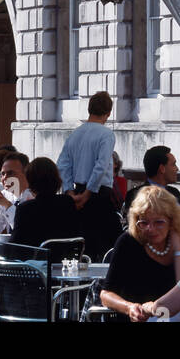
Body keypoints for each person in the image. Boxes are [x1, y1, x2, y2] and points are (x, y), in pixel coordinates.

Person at [100, 186, 180, 321]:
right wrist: (129, 307)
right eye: (144, 222)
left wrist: (178, 248)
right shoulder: (128, 243)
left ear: (172, 221)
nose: (151, 228)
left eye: (159, 222)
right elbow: (106, 294)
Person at [56, 90, 122, 260]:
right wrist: (87, 194)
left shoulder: (75, 134)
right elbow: (100, 166)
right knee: (106, 247)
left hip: (78, 191)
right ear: (108, 113)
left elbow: (63, 164)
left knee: (83, 244)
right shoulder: (106, 134)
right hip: (99, 194)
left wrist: (70, 191)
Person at [11, 157, 80, 250]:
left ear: (30, 181)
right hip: (64, 260)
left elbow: (16, 245)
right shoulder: (67, 202)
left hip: (36, 262)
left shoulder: (25, 209)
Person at [124, 146, 180, 215]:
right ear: (162, 168)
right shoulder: (135, 195)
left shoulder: (174, 192)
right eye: (173, 164)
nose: (177, 169)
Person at [0, 151, 31, 235]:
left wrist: (7, 205)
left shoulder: (35, 195)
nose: (5, 178)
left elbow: (25, 231)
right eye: (2, 174)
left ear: (25, 173)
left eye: (11, 173)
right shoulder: (4, 195)